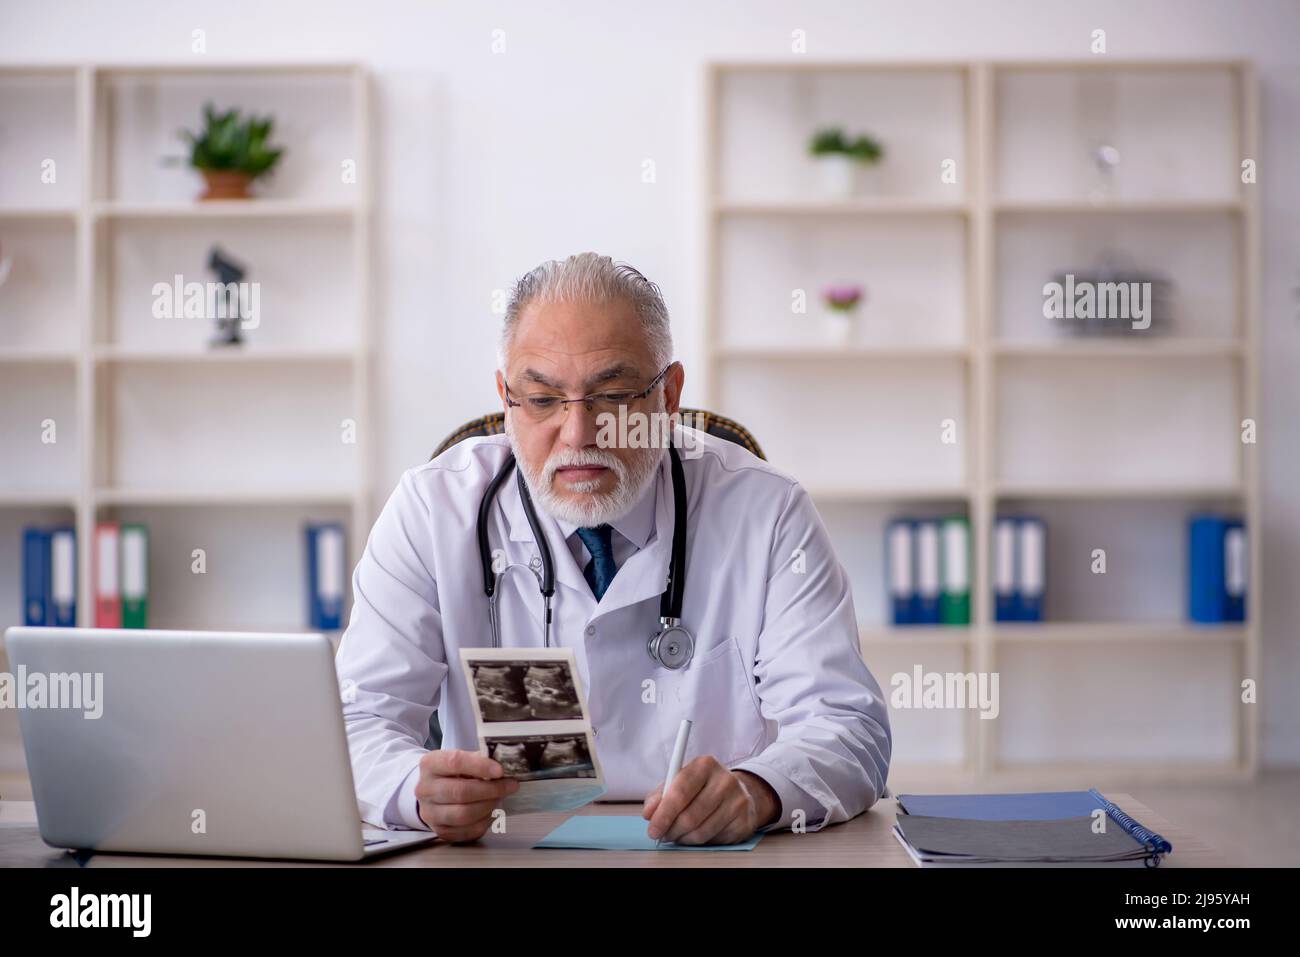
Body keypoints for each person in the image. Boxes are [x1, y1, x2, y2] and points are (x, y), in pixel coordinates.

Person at [334, 252, 891, 844]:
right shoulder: (432, 511)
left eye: (614, 396)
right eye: (544, 400)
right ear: (506, 398)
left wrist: (760, 789)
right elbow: (354, 726)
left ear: (670, 394)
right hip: (501, 855)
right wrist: (413, 791)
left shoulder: (767, 511)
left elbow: (847, 726)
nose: (578, 435)